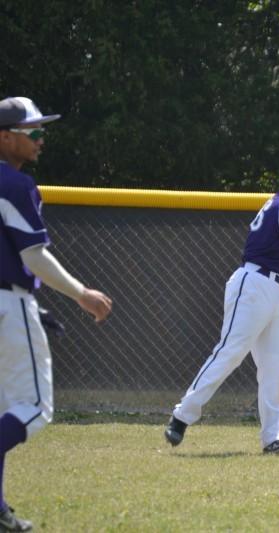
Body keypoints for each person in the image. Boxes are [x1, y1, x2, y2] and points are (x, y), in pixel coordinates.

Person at [165, 149, 279, 455]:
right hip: (254, 284)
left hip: (273, 287)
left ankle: (274, 437)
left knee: (277, 366)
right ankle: (181, 415)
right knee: (231, 352)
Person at [0, 97, 113, 532]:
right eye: (33, 130)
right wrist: (81, 293)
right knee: (35, 408)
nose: (41, 138)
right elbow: (33, 255)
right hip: (8, 304)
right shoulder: (15, 184)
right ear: (6, 136)